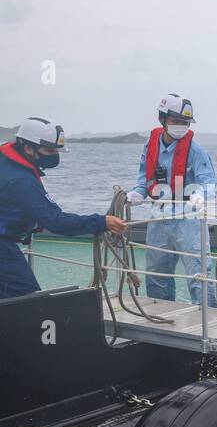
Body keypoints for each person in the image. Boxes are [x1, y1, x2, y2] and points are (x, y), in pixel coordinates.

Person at [0, 117, 128, 300]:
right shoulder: (21, 179)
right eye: (48, 150)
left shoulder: (6, 161)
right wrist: (101, 221)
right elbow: (56, 222)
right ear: (28, 148)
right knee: (30, 302)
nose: (53, 155)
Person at [125, 94, 217, 305]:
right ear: (163, 119)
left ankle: (208, 319)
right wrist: (138, 192)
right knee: (157, 274)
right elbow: (144, 177)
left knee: (199, 273)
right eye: (176, 121)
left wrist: (199, 195)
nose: (181, 126)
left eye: (185, 123)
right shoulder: (151, 145)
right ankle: (161, 316)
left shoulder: (196, 151)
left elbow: (210, 184)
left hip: (189, 218)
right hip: (159, 215)